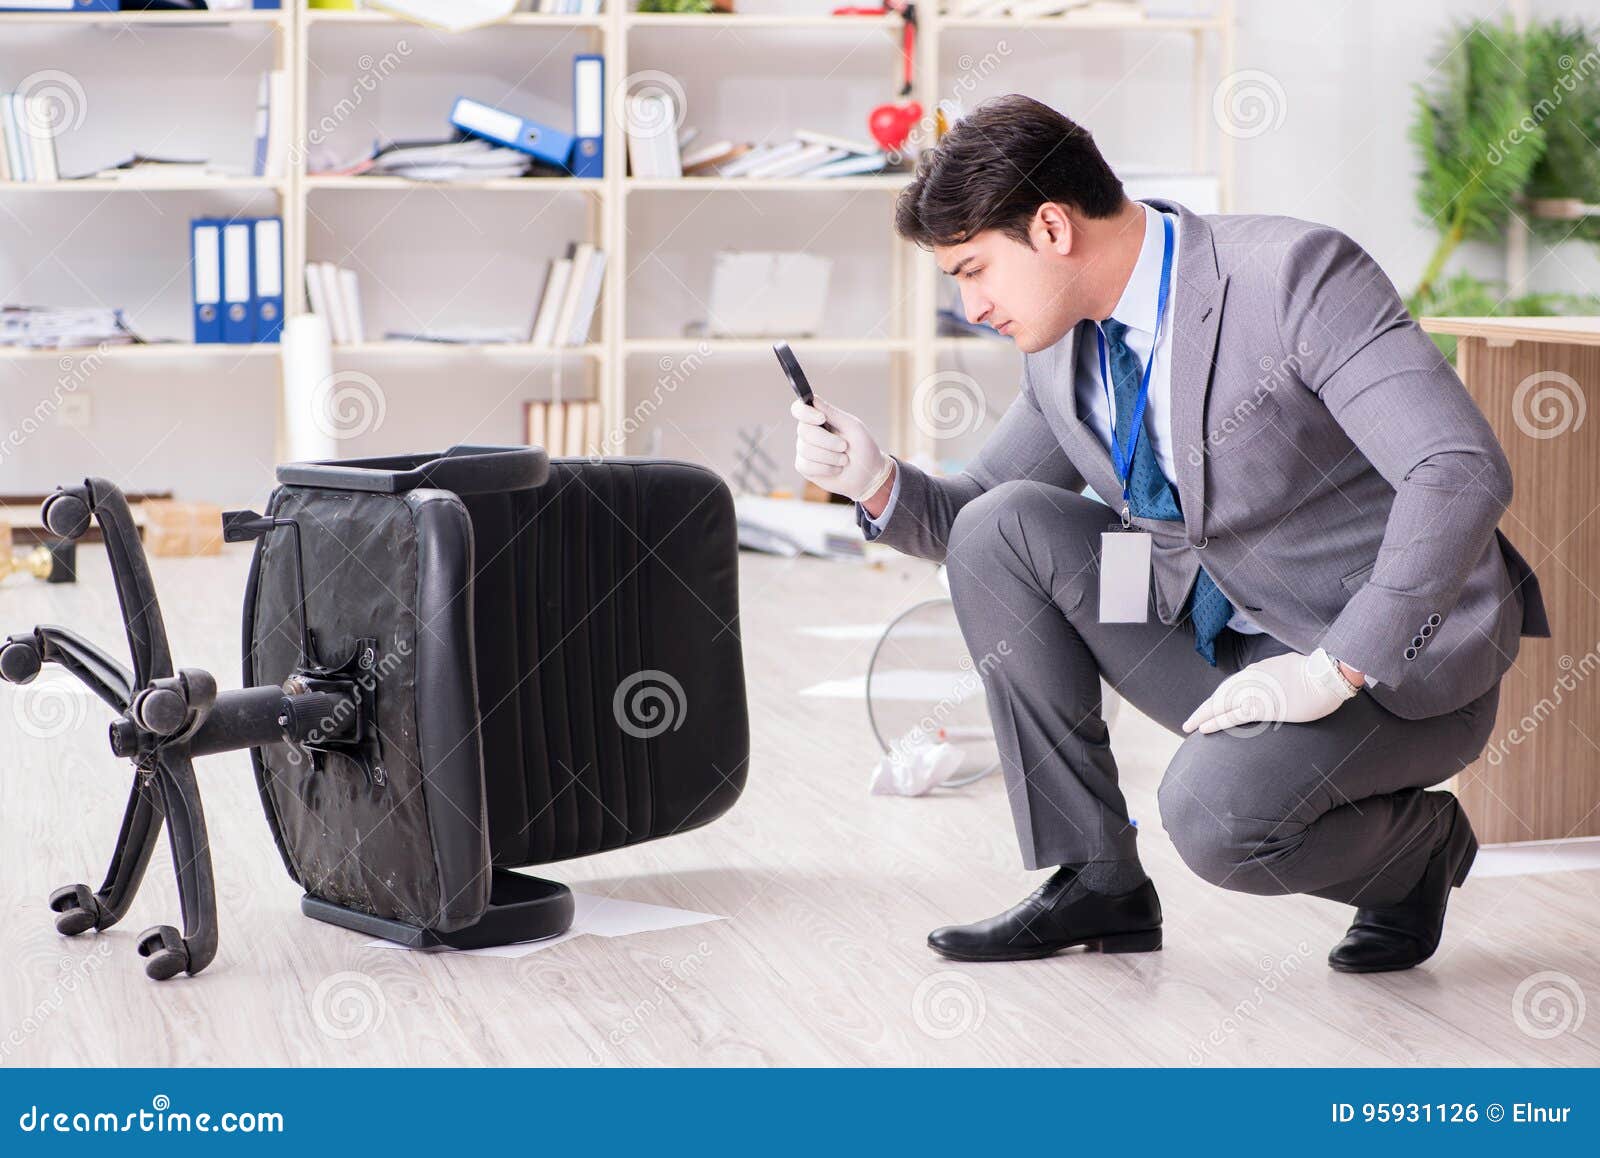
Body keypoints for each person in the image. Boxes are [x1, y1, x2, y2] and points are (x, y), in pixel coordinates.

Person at [790, 94, 1549, 973]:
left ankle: (1416, 853)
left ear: (1050, 227)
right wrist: (875, 480)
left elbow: (1457, 471)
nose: (970, 306)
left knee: (1217, 819)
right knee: (1004, 527)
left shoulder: (1294, 275)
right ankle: (1098, 880)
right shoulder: (1062, 342)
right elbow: (975, 523)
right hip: (1219, 641)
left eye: (973, 270)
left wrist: (1334, 666)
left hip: (1388, 665)